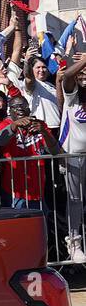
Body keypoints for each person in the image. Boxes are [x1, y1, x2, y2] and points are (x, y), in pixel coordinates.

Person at [0, 96, 62, 209]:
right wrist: (14, 126)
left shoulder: (39, 124)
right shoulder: (4, 124)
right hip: (15, 192)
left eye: (23, 106)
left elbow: (54, 151)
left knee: (39, 224)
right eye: (15, 107)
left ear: (29, 109)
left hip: (37, 190)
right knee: (18, 225)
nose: (20, 109)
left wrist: (44, 132)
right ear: (9, 111)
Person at [57, 48, 86, 261]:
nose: (84, 77)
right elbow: (66, 76)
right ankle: (74, 242)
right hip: (72, 155)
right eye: (82, 74)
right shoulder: (72, 98)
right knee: (74, 200)